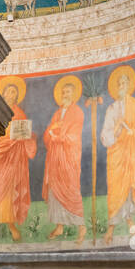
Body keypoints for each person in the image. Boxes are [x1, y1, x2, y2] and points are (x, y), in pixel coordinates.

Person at [100, 65, 135, 242]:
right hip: (116, 154)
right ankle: (111, 227)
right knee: (116, 189)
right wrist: (118, 129)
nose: (121, 85)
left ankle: (129, 220)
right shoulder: (111, 109)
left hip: (131, 151)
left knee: (129, 186)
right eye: (118, 83)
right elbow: (105, 136)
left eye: (124, 82)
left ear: (129, 85)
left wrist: (134, 133)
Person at [0, 77, 36, 241]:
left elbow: (24, 133)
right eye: (9, 91)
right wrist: (6, 138)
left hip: (14, 157)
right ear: (3, 93)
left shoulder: (19, 113)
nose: (12, 94)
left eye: (14, 92)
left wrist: (27, 136)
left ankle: (10, 223)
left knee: (9, 189)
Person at [42, 76, 86, 241]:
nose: (65, 95)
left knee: (71, 190)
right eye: (63, 92)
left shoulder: (77, 112)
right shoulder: (57, 113)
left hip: (69, 157)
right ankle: (59, 227)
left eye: (68, 92)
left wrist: (59, 136)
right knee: (55, 190)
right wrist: (52, 132)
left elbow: (74, 135)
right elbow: (47, 135)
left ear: (74, 95)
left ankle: (81, 227)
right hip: (55, 158)